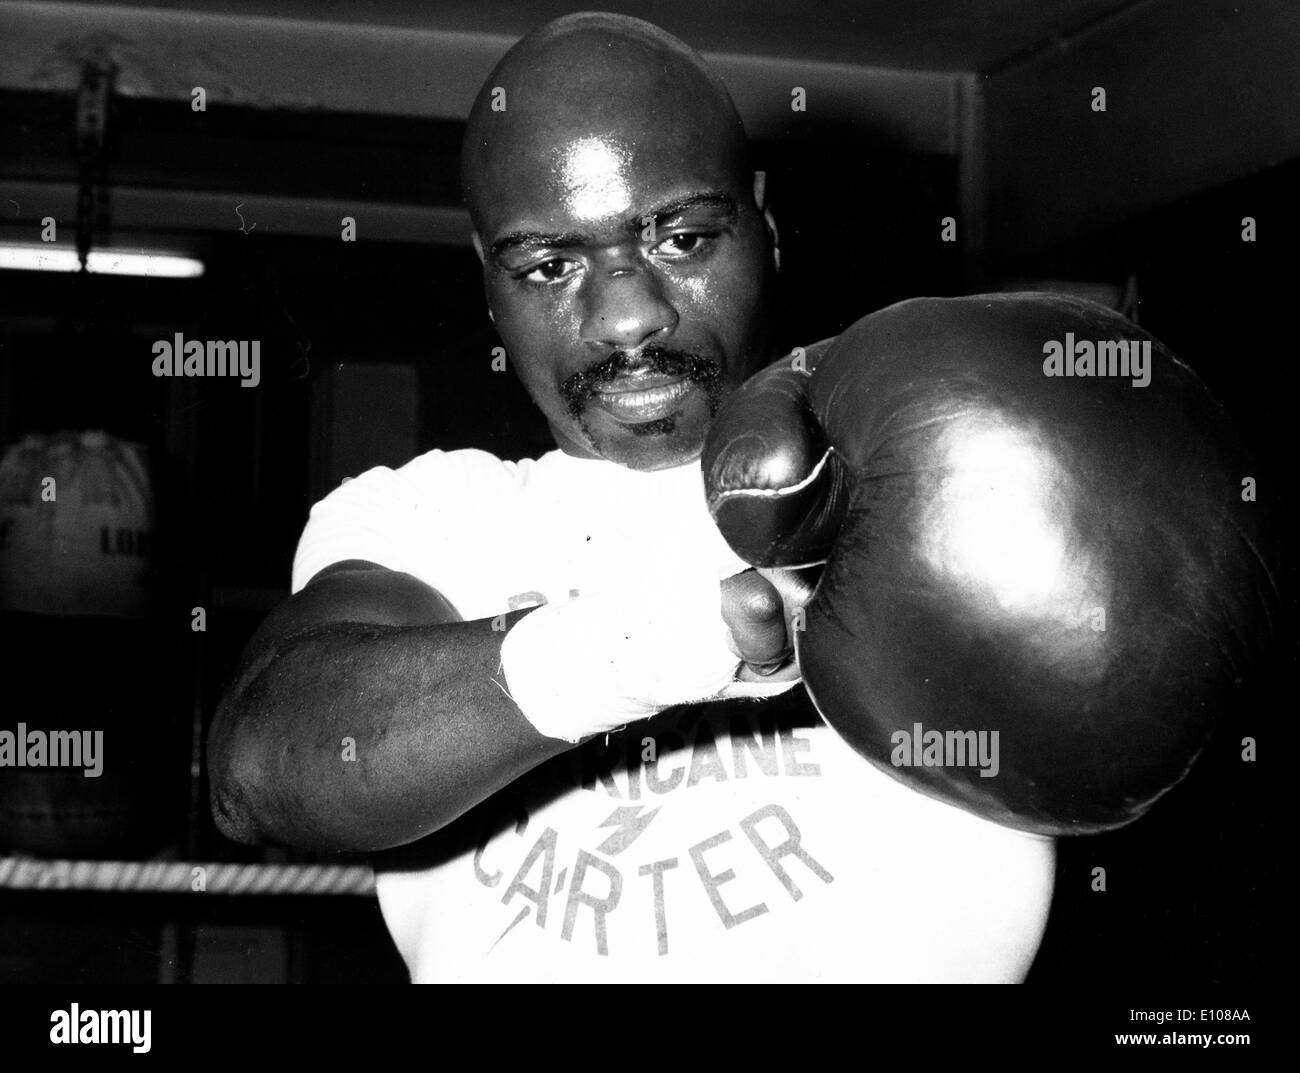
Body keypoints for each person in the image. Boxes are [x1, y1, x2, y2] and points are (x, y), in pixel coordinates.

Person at [208, 12, 1054, 983]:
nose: (627, 315)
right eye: (548, 266)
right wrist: (658, 646)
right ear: (488, 285)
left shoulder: (936, 471)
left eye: (684, 237)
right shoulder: (431, 515)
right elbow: (261, 763)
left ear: (763, 230)